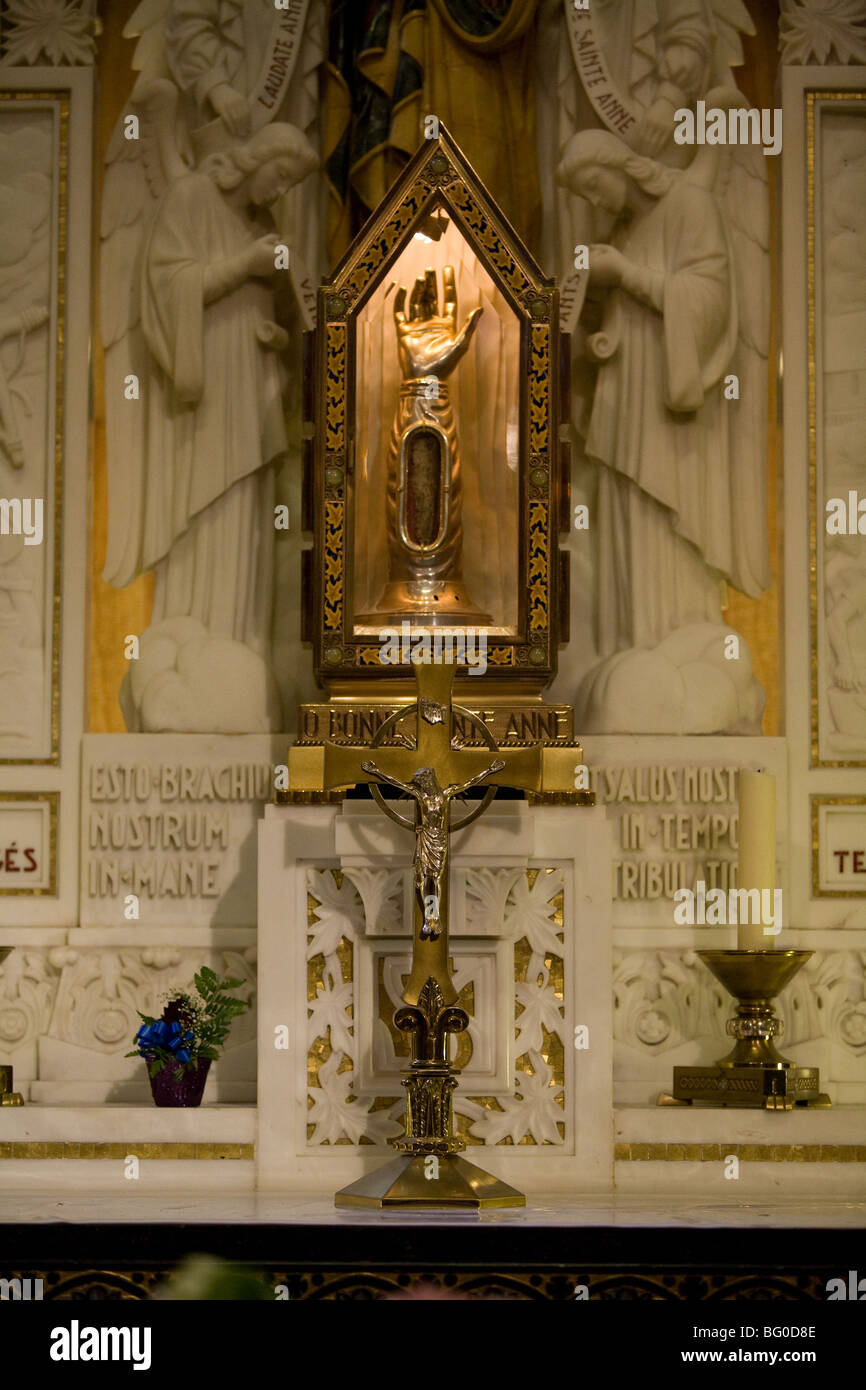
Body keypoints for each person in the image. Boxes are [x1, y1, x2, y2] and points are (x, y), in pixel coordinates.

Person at [558, 129, 766, 656]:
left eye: (594, 185)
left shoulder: (689, 203)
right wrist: (601, 335)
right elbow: (628, 312)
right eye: (584, 195)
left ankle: (674, 641)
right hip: (626, 399)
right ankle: (631, 644)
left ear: (619, 166)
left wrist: (625, 274)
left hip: (668, 416)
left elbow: (711, 296)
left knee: (661, 512)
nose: (595, 200)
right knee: (625, 505)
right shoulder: (625, 231)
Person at [138, 123, 317, 656]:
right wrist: (245, 265)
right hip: (210, 381)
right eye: (280, 175)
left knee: (252, 503)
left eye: (291, 184)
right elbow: (168, 281)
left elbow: (275, 307)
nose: (281, 190)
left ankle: (241, 644)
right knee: (212, 494)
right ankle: (194, 636)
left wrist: (278, 326)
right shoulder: (192, 195)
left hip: (252, 380)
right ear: (255, 158)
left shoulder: (263, 221)